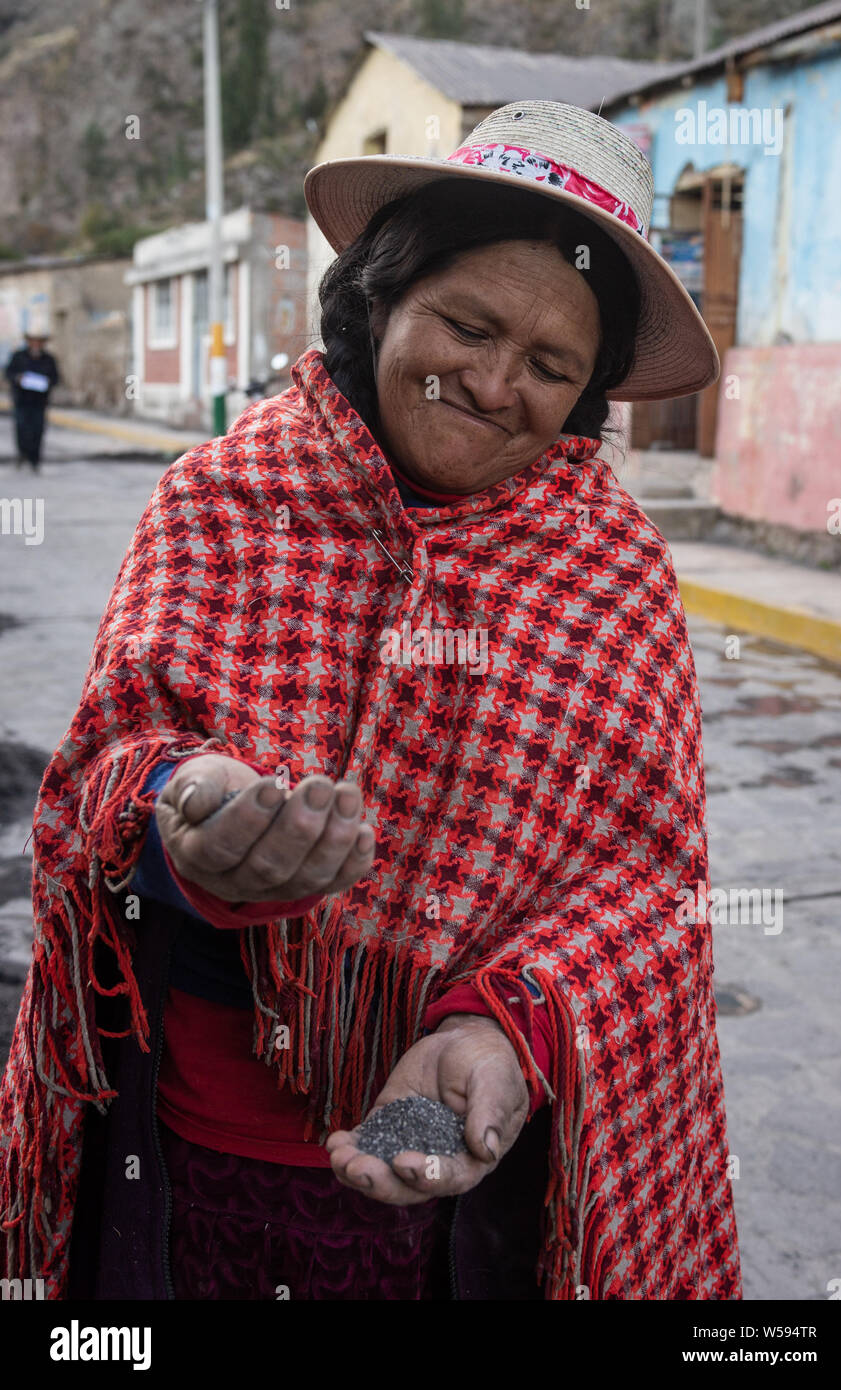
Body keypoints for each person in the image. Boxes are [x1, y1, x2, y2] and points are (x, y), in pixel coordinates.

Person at [0, 101, 742, 1301]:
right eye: (468, 323)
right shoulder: (223, 498)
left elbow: (652, 887)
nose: (497, 384)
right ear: (381, 295)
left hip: (460, 1188)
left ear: (589, 396)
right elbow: (101, 762)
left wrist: (500, 1030)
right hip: (187, 1158)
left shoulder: (614, 573)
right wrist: (182, 809)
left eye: (552, 367)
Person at [4, 330, 60, 471]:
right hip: (21, 400)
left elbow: (56, 378)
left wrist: (48, 382)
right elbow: (8, 373)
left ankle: (35, 459)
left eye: (39, 341)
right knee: (22, 428)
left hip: (39, 401)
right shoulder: (18, 356)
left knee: (38, 430)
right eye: (33, 340)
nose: (36, 343)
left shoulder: (49, 359)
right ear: (29, 342)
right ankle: (22, 454)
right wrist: (18, 378)